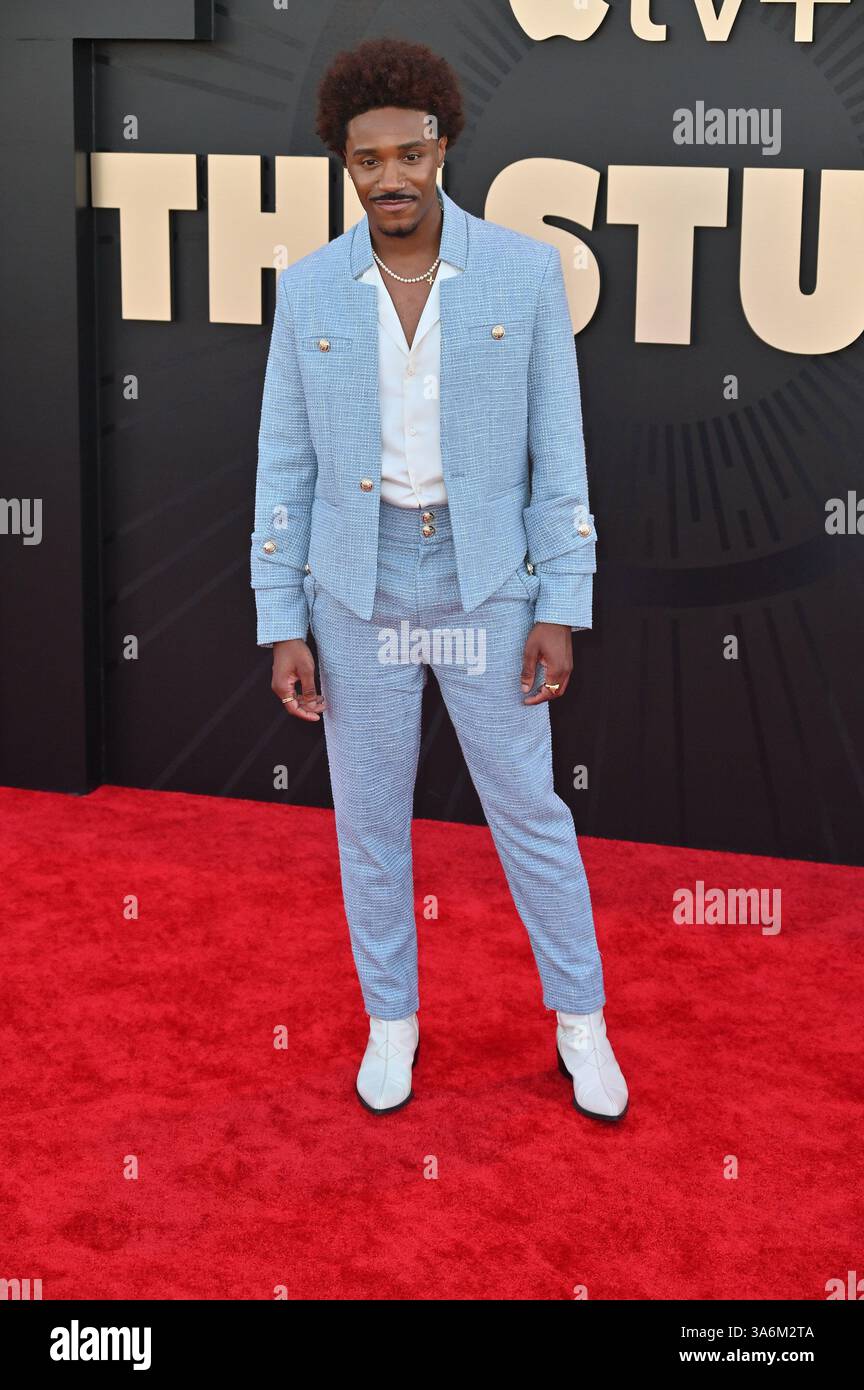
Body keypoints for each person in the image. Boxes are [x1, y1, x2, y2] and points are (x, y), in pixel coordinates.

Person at [251, 37, 628, 1122]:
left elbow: (560, 454)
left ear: (443, 146)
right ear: (345, 165)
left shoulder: (520, 271)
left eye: (411, 153)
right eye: (369, 160)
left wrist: (561, 599)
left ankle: (581, 1023)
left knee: (528, 809)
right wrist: (283, 612)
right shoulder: (312, 288)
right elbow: (285, 460)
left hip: (486, 579)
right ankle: (393, 1024)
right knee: (369, 820)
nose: (393, 177)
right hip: (354, 584)